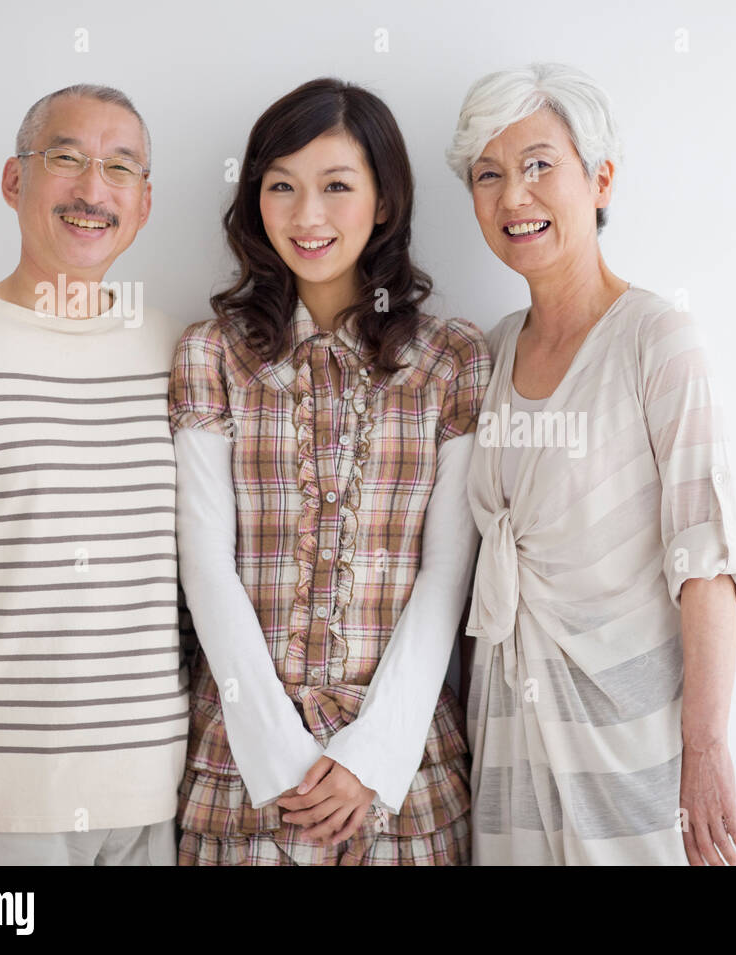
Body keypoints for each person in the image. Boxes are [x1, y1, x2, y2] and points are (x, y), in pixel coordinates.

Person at [170, 78, 489, 865]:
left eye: (336, 186)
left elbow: (446, 574)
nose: (307, 215)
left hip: (400, 775)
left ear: (384, 201)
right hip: (243, 771)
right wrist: (280, 757)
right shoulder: (211, 354)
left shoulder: (451, 358)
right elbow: (205, 568)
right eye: (281, 186)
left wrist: (368, 756)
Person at [447, 63, 736, 865]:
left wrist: (707, 750)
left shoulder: (656, 338)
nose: (515, 197)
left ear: (600, 178)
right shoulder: (490, 350)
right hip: (506, 739)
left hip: (632, 745)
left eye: (540, 165)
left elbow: (704, 557)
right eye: (490, 175)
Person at [0, 84, 189, 866]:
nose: (93, 189)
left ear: (145, 203)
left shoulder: (178, 354)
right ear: (15, 181)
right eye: (66, 158)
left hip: (162, 797)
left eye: (120, 168)